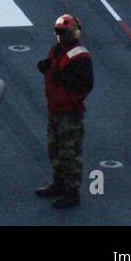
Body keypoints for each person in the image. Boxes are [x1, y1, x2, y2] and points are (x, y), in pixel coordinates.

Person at [35, 13, 94, 209]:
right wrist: (47, 67)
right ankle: (59, 184)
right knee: (55, 149)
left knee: (69, 153)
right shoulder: (57, 49)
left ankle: (72, 192)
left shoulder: (80, 56)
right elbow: (53, 67)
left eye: (63, 32)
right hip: (55, 108)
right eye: (58, 32)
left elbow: (86, 84)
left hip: (69, 111)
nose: (60, 35)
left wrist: (61, 76)